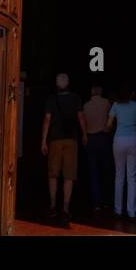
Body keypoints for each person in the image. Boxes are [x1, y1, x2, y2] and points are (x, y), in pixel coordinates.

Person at [40, 72, 86, 223]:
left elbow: (47, 119)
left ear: (56, 84)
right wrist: (84, 134)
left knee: (53, 174)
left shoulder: (52, 99)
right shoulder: (75, 98)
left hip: (55, 140)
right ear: (68, 84)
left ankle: (53, 206)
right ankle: (65, 209)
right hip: (71, 140)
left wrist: (43, 140)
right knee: (69, 175)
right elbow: (80, 117)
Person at [105, 86, 136, 220]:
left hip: (119, 140)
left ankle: (118, 210)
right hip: (133, 139)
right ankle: (131, 211)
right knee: (132, 176)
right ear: (131, 94)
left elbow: (108, 125)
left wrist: (110, 128)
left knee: (119, 175)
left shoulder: (116, 106)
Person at [82, 84, 113, 211]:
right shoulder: (106, 103)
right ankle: (108, 201)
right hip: (103, 138)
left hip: (91, 139)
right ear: (101, 92)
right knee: (106, 170)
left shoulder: (85, 106)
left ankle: (96, 204)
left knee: (93, 172)